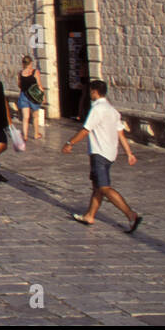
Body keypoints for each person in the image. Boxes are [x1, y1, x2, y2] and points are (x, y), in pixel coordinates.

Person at [64, 79, 142, 231]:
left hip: (99, 153)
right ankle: (89, 216)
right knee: (97, 187)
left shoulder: (97, 109)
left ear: (94, 91)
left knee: (104, 188)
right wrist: (129, 153)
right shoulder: (112, 110)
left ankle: (131, 215)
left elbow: (85, 130)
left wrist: (70, 143)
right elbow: (121, 134)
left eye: (90, 92)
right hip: (110, 154)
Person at [16, 55, 45, 141]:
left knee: (25, 117)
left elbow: (19, 85)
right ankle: (36, 134)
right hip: (34, 96)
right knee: (35, 116)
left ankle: (25, 136)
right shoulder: (35, 72)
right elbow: (39, 85)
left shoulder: (20, 73)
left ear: (23, 63)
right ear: (31, 63)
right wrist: (43, 96)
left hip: (23, 95)